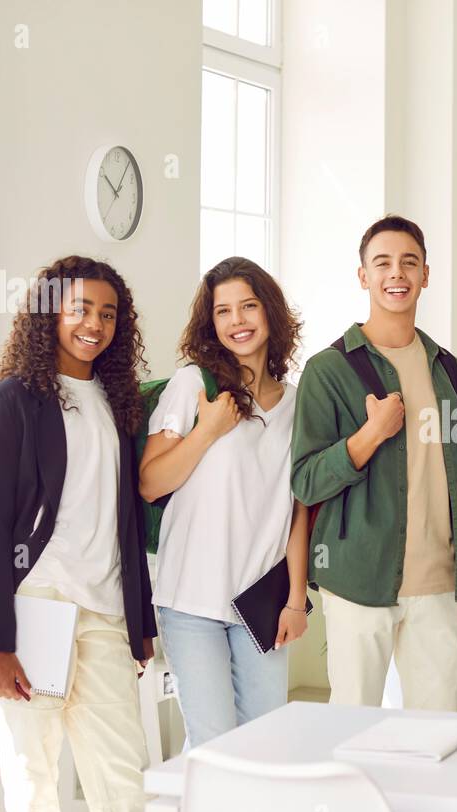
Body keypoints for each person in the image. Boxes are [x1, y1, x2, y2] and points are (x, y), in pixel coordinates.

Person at [0, 256, 156, 812]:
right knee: (33, 779)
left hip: (105, 609)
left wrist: (141, 626)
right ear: (49, 311)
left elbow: (125, 524)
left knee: (123, 778)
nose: (95, 324)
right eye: (80, 308)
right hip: (36, 608)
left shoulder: (117, 400)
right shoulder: (12, 400)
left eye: (108, 313)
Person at [291, 216, 457, 710]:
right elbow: (306, 481)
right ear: (363, 276)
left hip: (440, 587)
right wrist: (371, 435)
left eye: (409, 262)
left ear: (426, 274)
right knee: (351, 727)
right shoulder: (328, 371)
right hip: (358, 582)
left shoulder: (449, 371)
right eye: (382, 263)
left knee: (438, 734)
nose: (396, 274)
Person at [139, 257, 310, 747]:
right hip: (191, 598)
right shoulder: (194, 385)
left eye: (249, 307)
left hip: (260, 601)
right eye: (223, 311)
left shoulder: (298, 403)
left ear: (271, 313)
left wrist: (296, 599)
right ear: (210, 322)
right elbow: (151, 482)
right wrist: (209, 430)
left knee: (263, 738)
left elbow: (299, 511)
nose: (237, 321)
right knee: (213, 741)